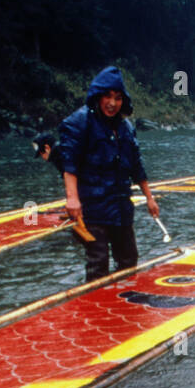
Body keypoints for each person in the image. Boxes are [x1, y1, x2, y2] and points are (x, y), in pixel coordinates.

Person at [58, 66, 159, 280]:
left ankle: (127, 306)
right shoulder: (80, 122)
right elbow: (69, 163)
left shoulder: (126, 128)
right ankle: (94, 310)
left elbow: (136, 166)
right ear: (97, 95)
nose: (112, 103)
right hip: (94, 210)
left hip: (122, 208)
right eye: (107, 96)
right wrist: (72, 199)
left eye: (118, 98)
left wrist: (149, 198)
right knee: (98, 266)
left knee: (129, 261)